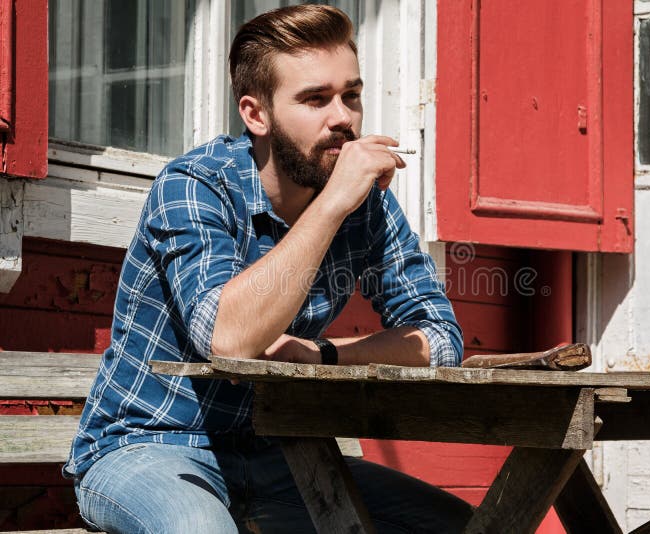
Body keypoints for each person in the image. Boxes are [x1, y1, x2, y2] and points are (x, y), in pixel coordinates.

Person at [63, 4, 472, 533]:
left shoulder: (366, 205)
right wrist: (331, 207)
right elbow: (228, 338)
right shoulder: (194, 185)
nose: (343, 118)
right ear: (256, 115)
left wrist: (323, 355)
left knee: (464, 526)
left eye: (351, 95)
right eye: (315, 99)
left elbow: (441, 338)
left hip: (280, 455)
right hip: (150, 446)